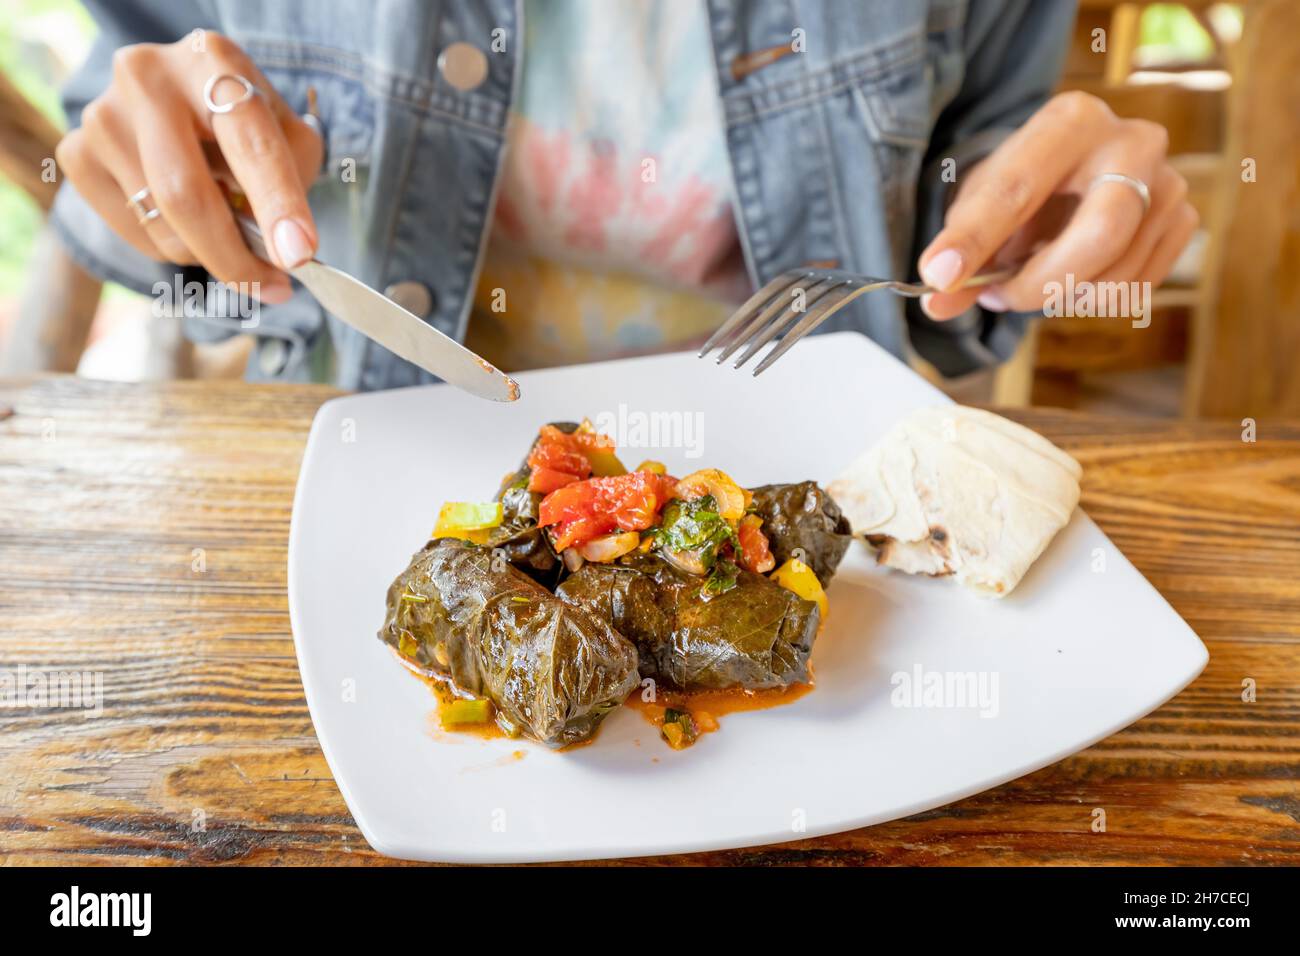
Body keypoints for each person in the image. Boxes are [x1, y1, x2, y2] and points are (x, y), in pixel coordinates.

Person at [51, 0, 1197, 390]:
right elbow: (123, 112)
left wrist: (1040, 232)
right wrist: (178, 207)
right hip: (358, 446)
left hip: (834, 502)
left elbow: (975, 219)